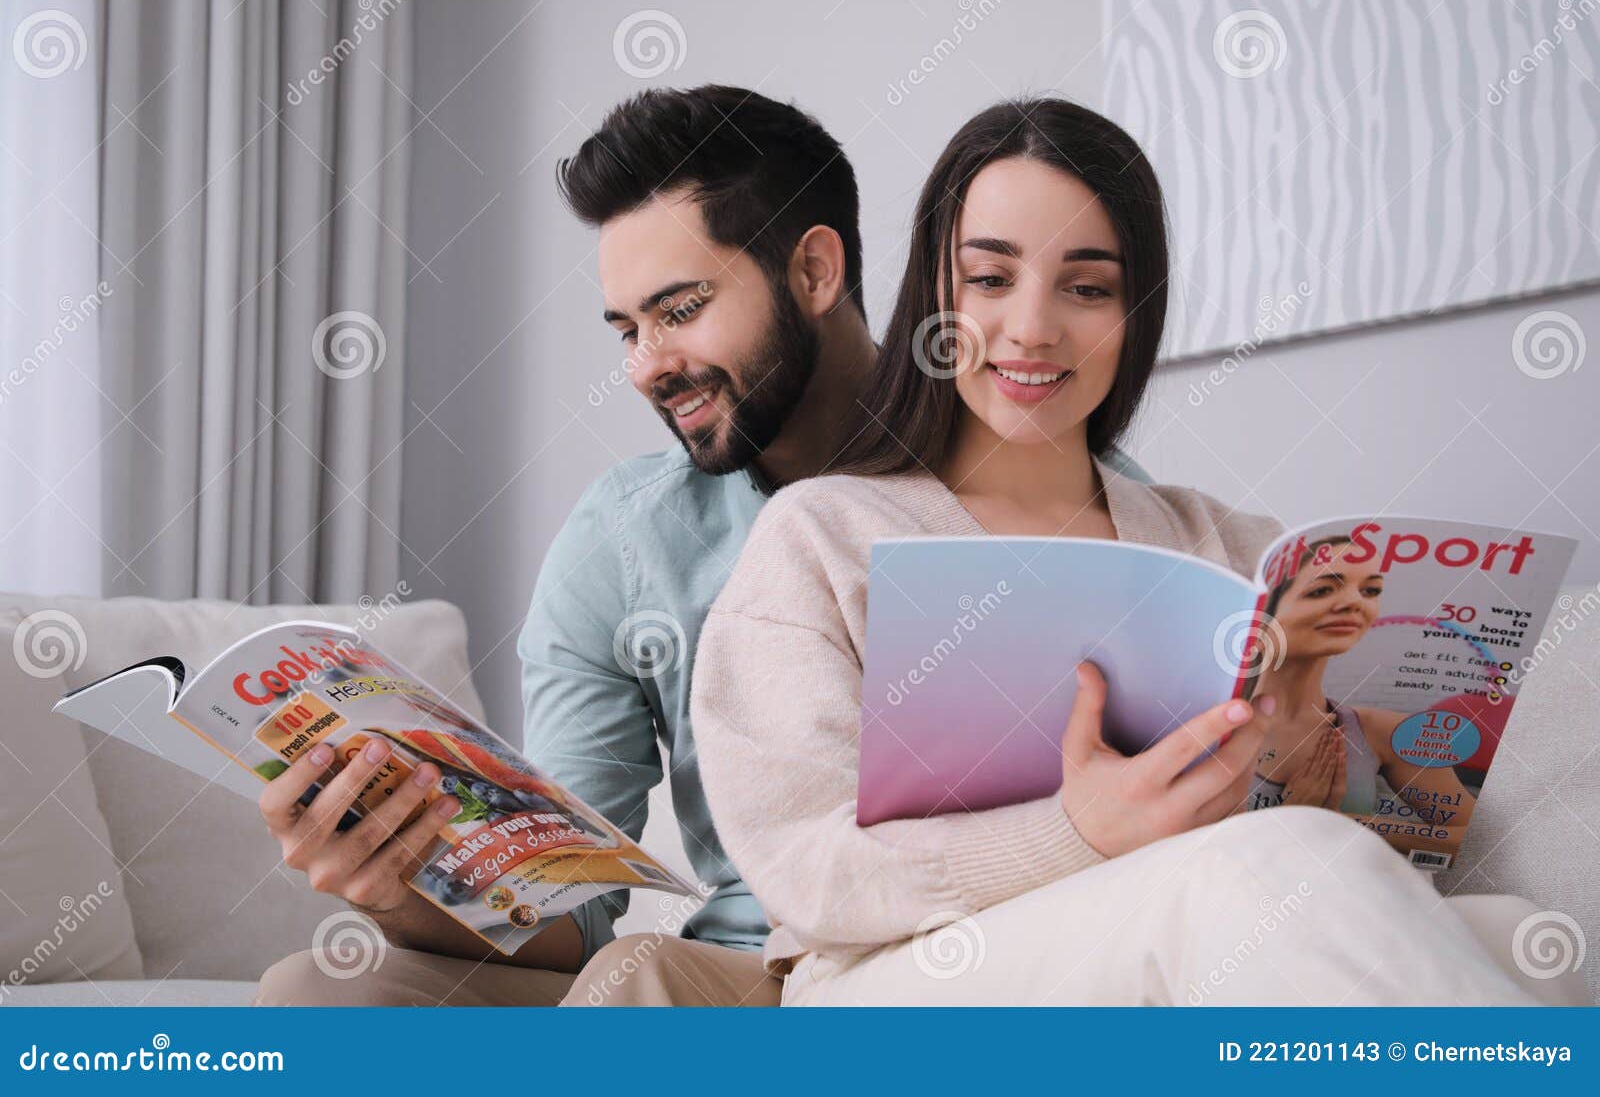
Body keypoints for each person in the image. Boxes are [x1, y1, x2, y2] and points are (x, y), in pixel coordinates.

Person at [255, 84, 1150, 1007]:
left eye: (679, 310)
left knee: (642, 981)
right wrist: (397, 882)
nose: (647, 366)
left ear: (814, 272)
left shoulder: (1046, 481)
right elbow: (569, 911)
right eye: (628, 330)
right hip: (739, 975)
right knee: (319, 996)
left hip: (954, 960)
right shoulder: (626, 536)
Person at [688, 97, 1583, 1006]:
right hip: (896, 973)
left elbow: (1379, 837)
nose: (1034, 327)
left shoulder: (1234, 546)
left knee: (1520, 934)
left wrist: (1321, 770)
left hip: (1200, 917)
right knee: (1269, 870)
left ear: (1135, 312)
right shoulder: (822, 534)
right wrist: (1075, 831)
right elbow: (807, 867)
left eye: (1087, 288)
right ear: (937, 298)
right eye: (991, 278)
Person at [1247, 536, 1477, 842]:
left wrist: (1342, 824)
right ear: (1258, 614)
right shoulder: (1210, 726)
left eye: (1370, 591)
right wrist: (1290, 822)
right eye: (1321, 590)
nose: (1355, 602)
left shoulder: (1384, 731)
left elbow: (1476, 840)